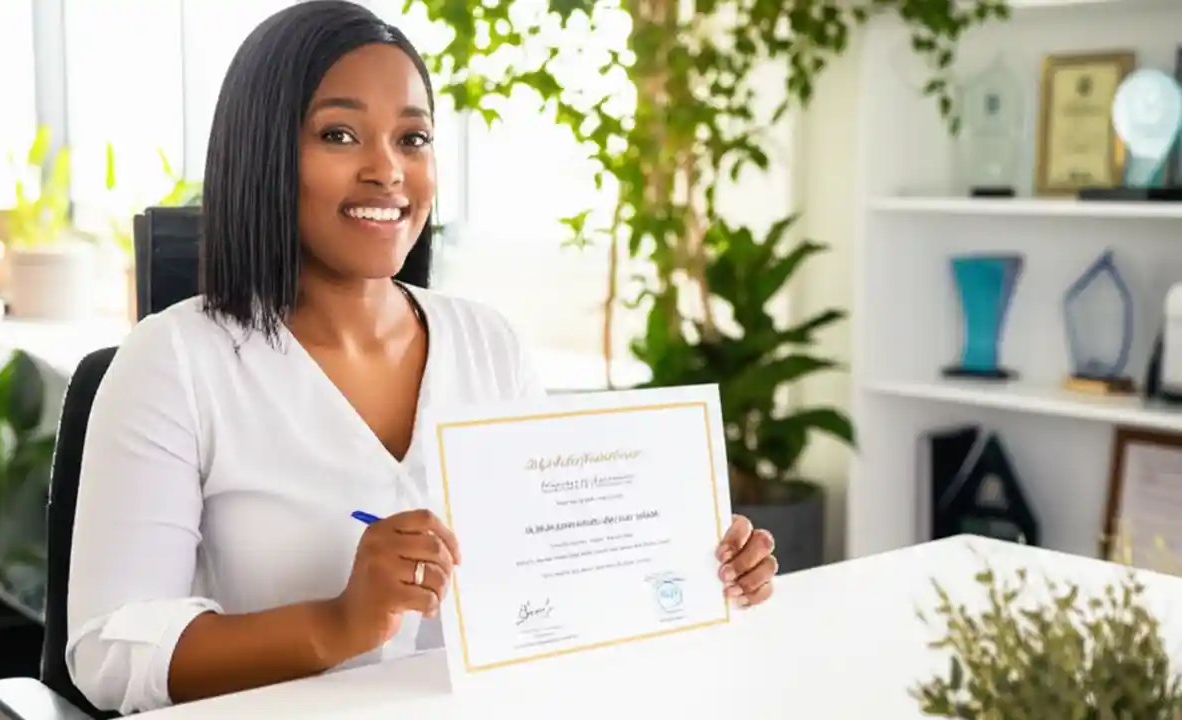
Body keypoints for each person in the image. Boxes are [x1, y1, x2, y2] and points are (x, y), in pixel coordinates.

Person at [65, 1, 779, 715]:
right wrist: (337, 625)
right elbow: (110, 653)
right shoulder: (174, 363)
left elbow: (544, 592)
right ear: (263, 153)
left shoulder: (489, 345)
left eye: (414, 138)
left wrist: (689, 569)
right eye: (340, 134)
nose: (388, 170)